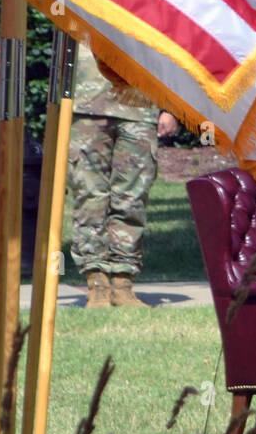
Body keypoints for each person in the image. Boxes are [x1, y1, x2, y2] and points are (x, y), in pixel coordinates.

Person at [68, 49, 178, 308]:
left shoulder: (151, 7)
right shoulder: (77, 6)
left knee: (132, 199)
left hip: (141, 108)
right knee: (89, 197)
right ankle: (96, 283)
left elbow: (170, 48)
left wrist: (171, 107)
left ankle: (122, 284)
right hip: (86, 105)